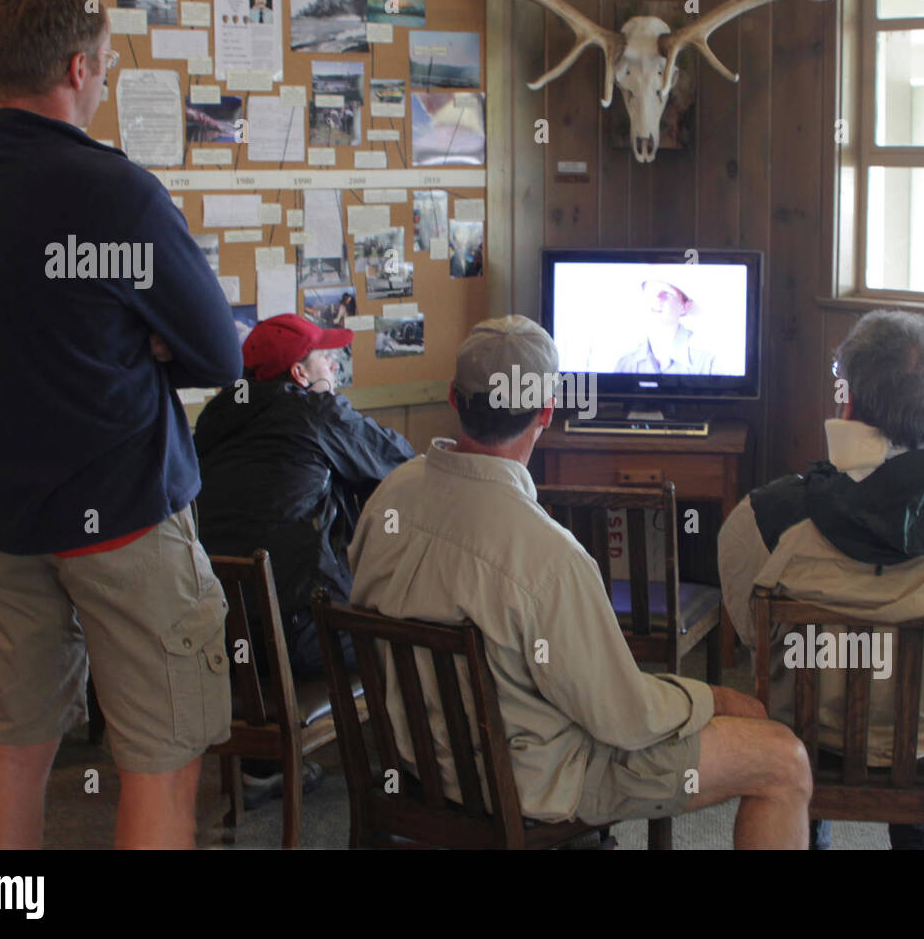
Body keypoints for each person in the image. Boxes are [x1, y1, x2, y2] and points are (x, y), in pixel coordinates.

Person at [0, 0, 243, 849]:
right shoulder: (115, 191)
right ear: (76, 68)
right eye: (102, 64)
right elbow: (219, 350)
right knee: (162, 758)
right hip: (125, 518)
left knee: (14, 747)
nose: (100, 82)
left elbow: (3, 331)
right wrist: (141, 344)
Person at [348, 315, 812, 847]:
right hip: (533, 785)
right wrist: (708, 698)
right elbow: (624, 718)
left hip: (414, 761)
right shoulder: (549, 558)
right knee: (783, 758)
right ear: (547, 409)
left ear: (455, 398)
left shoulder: (389, 497)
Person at [717, 310, 924, 849]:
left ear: (848, 403)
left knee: (794, 753)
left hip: (806, 742)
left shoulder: (765, 520)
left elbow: (752, 633)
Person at [194, 314, 412, 806]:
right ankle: (420, 771)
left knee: (269, 580)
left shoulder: (213, 420)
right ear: (297, 374)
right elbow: (402, 464)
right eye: (324, 356)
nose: (334, 362)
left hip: (221, 642)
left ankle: (261, 767)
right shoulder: (316, 413)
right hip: (301, 640)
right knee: (414, 627)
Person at [613, 276, 716, 374]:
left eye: (666, 293)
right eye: (651, 291)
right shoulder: (626, 363)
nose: (656, 299)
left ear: (685, 306)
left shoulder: (707, 360)